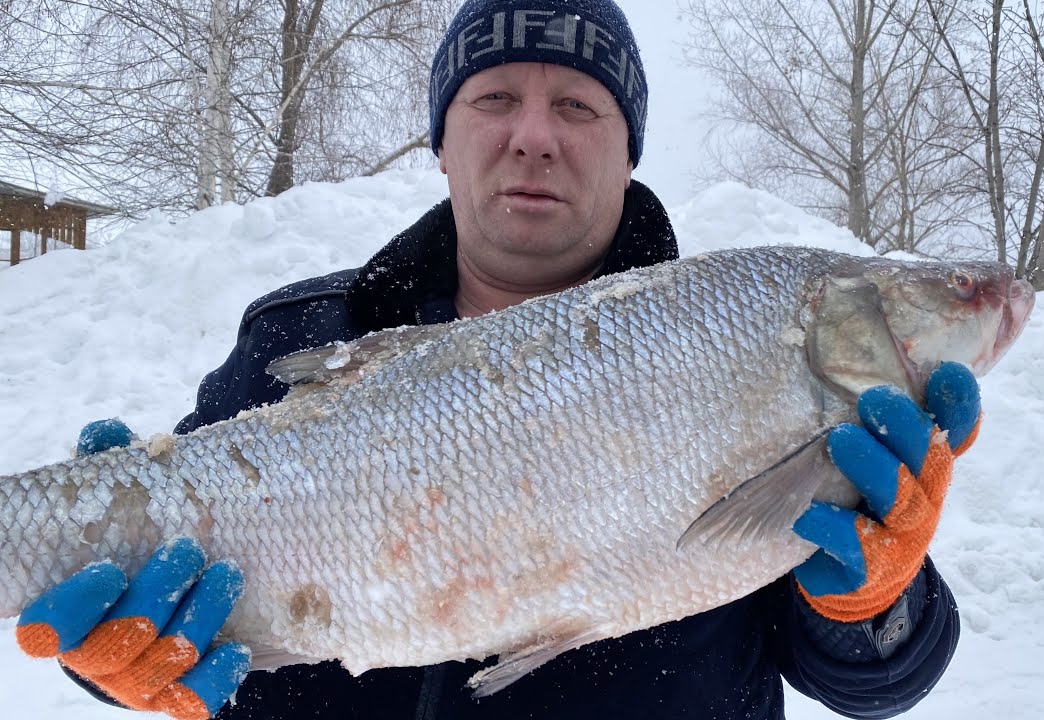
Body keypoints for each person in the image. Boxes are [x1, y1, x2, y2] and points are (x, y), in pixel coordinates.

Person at [16, 1, 976, 717]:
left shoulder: (737, 349)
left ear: (628, 149)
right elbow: (166, 611)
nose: (534, 135)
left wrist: (872, 606)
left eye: (577, 105)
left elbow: (875, 681)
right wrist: (110, 645)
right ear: (442, 140)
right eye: (496, 98)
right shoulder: (293, 338)